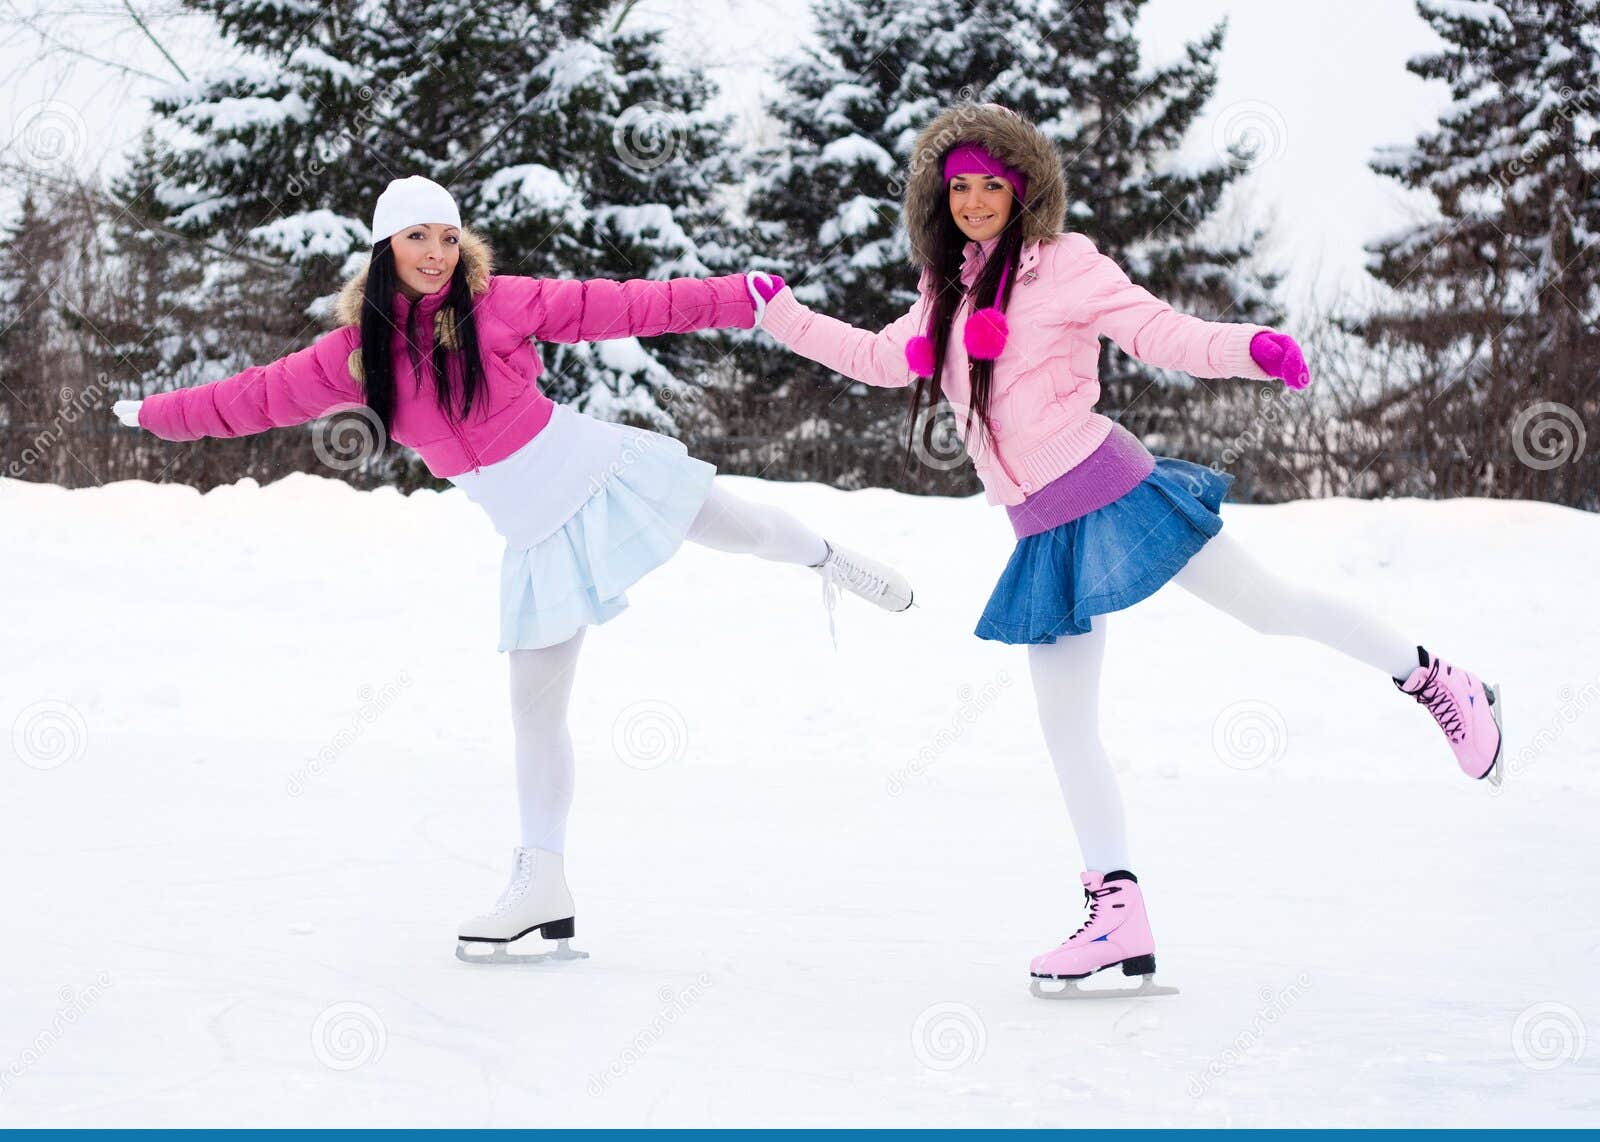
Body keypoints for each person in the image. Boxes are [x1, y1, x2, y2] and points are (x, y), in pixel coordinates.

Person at [747, 104, 1503, 997]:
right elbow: (883, 358)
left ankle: (1435, 678)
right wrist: (784, 315)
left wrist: (1249, 350)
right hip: (1039, 530)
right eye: (961, 187)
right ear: (940, 197)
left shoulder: (1065, 265)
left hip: (1110, 487)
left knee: (1272, 611)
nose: (977, 200)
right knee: (1066, 727)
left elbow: (1158, 330)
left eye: (994, 184)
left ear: (1023, 190)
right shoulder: (943, 288)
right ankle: (1118, 911)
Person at [110, 175, 914, 964]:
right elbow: (250, 397)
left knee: (736, 526)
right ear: (384, 247)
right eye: (417, 236)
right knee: (535, 714)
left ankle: (830, 560)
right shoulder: (353, 355)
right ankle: (544, 882)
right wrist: (152, 413)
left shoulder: (500, 303)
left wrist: (739, 295)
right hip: (535, 536)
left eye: (448, 236)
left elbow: (629, 304)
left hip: (601, 471)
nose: (435, 251)